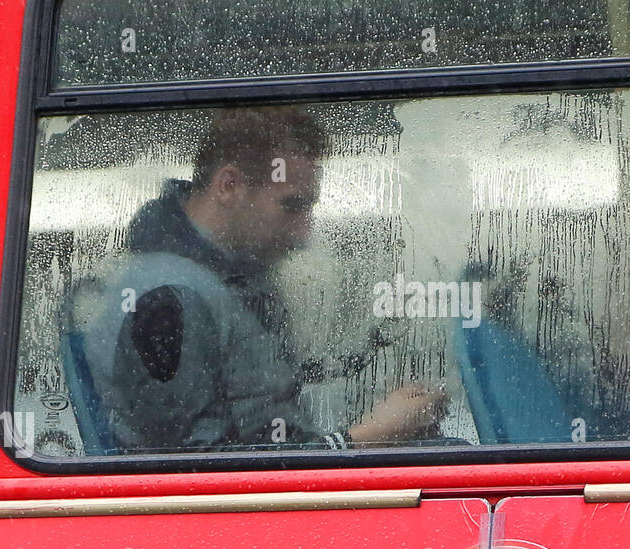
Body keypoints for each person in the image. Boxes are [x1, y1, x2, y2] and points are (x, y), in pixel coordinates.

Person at [74, 106, 446, 453]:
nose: (303, 233)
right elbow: (195, 476)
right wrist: (367, 437)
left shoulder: (227, 280)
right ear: (229, 186)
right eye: (292, 205)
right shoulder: (171, 299)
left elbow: (254, 398)